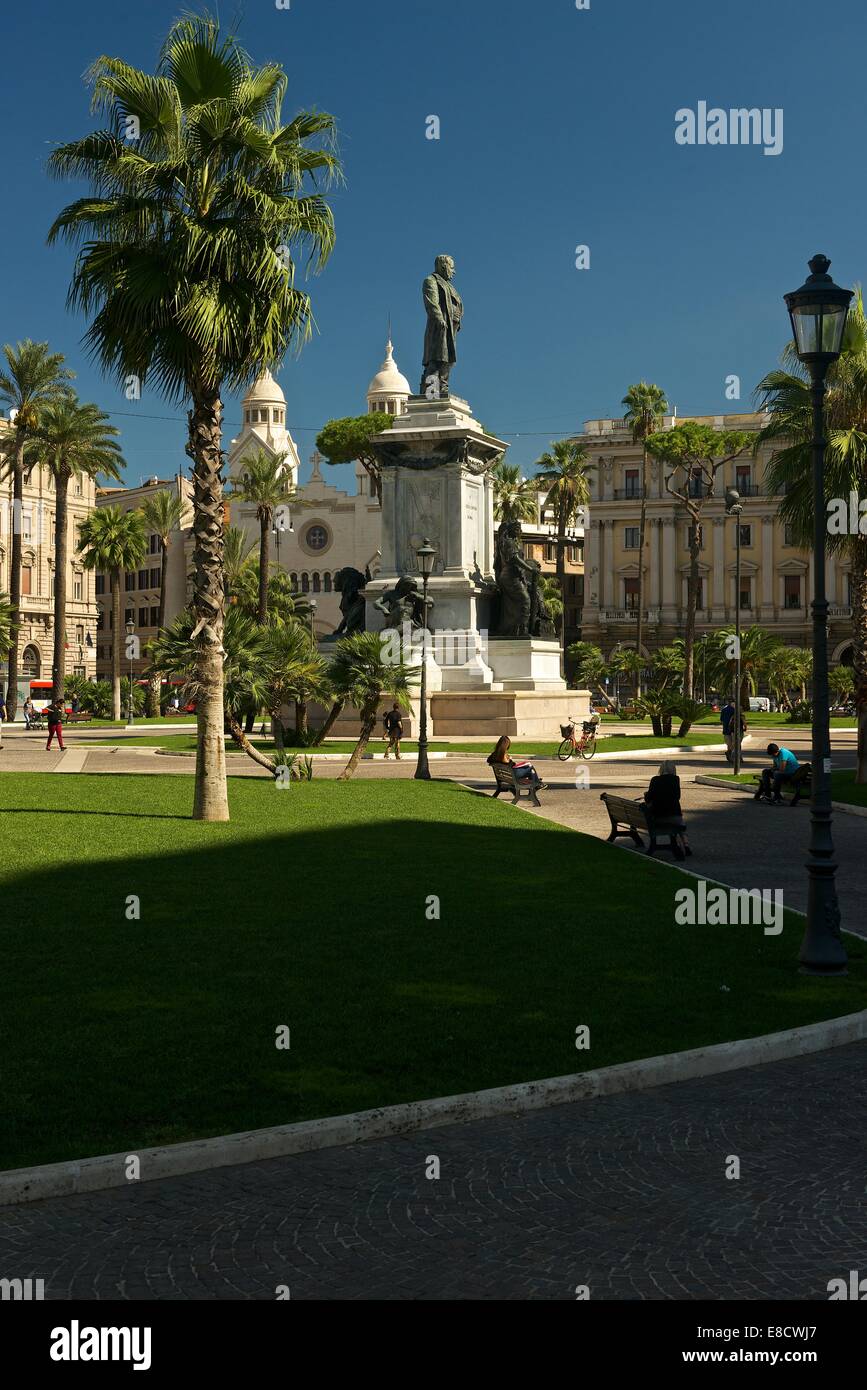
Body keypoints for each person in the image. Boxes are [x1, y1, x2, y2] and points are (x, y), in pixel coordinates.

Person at [643, 760, 690, 857]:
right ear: (673, 769)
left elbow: (648, 799)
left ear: (661, 769)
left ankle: (679, 845)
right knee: (680, 825)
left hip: (658, 817)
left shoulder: (655, 780)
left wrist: (646, 795)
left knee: (675, 824)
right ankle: (686, 845)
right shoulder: (676, 779)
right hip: (674, 816)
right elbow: (677, 797)